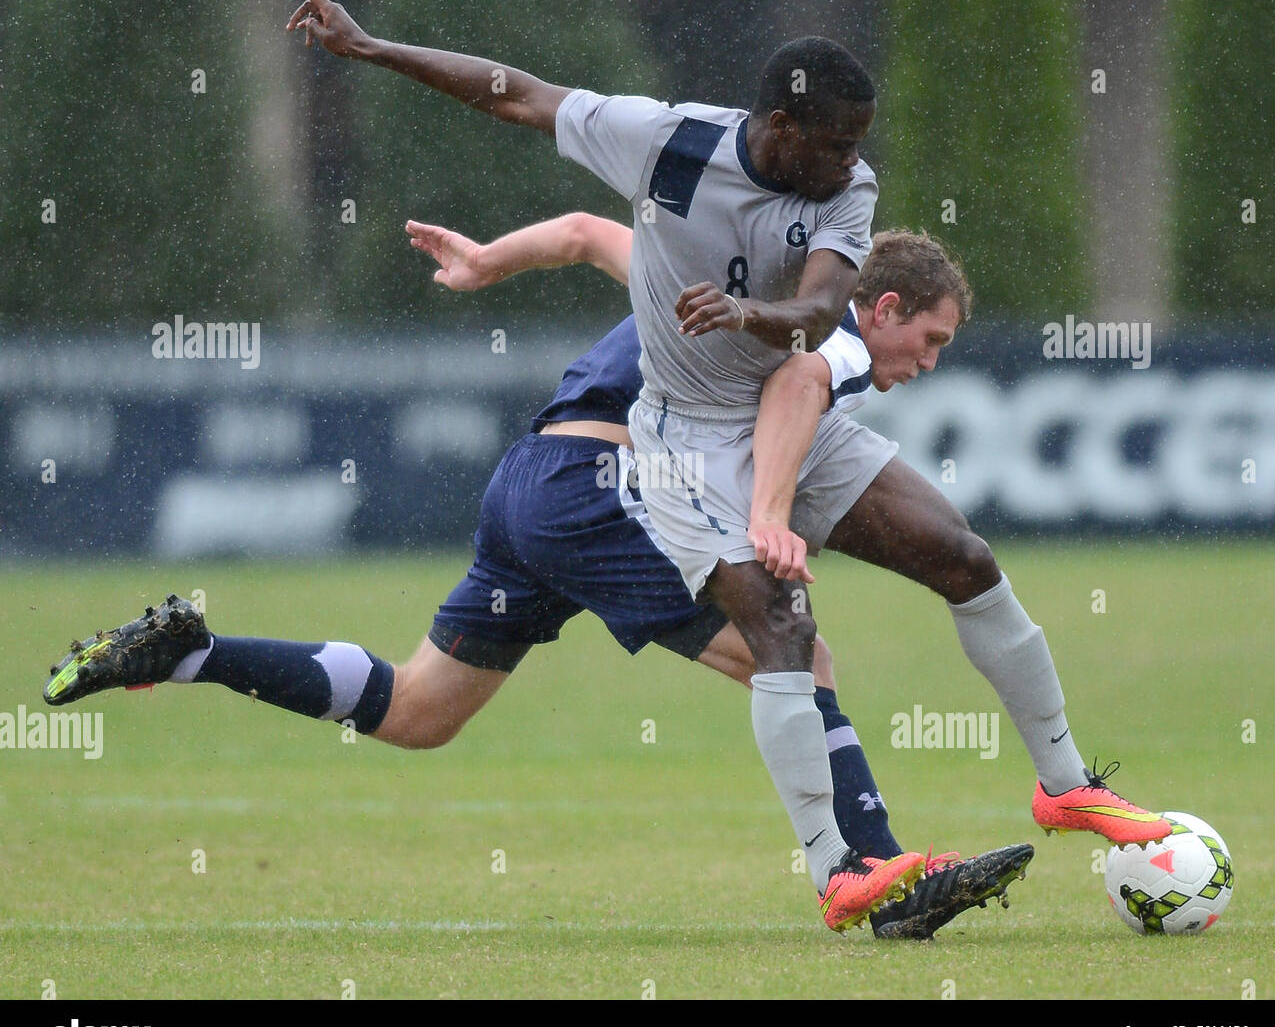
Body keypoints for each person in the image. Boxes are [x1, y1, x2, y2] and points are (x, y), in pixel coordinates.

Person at [274, 0, 1171, 905]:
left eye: (861, 144)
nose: (856, 164)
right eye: (839, 143)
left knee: (963, 555)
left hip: (788, 414)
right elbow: (518, 94)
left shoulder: (846, 195)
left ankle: (1065, 786)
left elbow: (816, 323)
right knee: (781, 631)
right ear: (782, 127)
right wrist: (374, 47)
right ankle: (842, 869)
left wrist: (750, 320)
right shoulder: (664, 142)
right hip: (684, 444)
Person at [42, 213, 1032, 940]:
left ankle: (193, 652)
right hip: (597, 488)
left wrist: (483, 261)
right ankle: (866, 870)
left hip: (531, 483)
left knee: (419, 708)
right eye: (930, 340)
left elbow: (581, 229)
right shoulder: (786, 320)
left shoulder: (706, 273)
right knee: (797, 648)